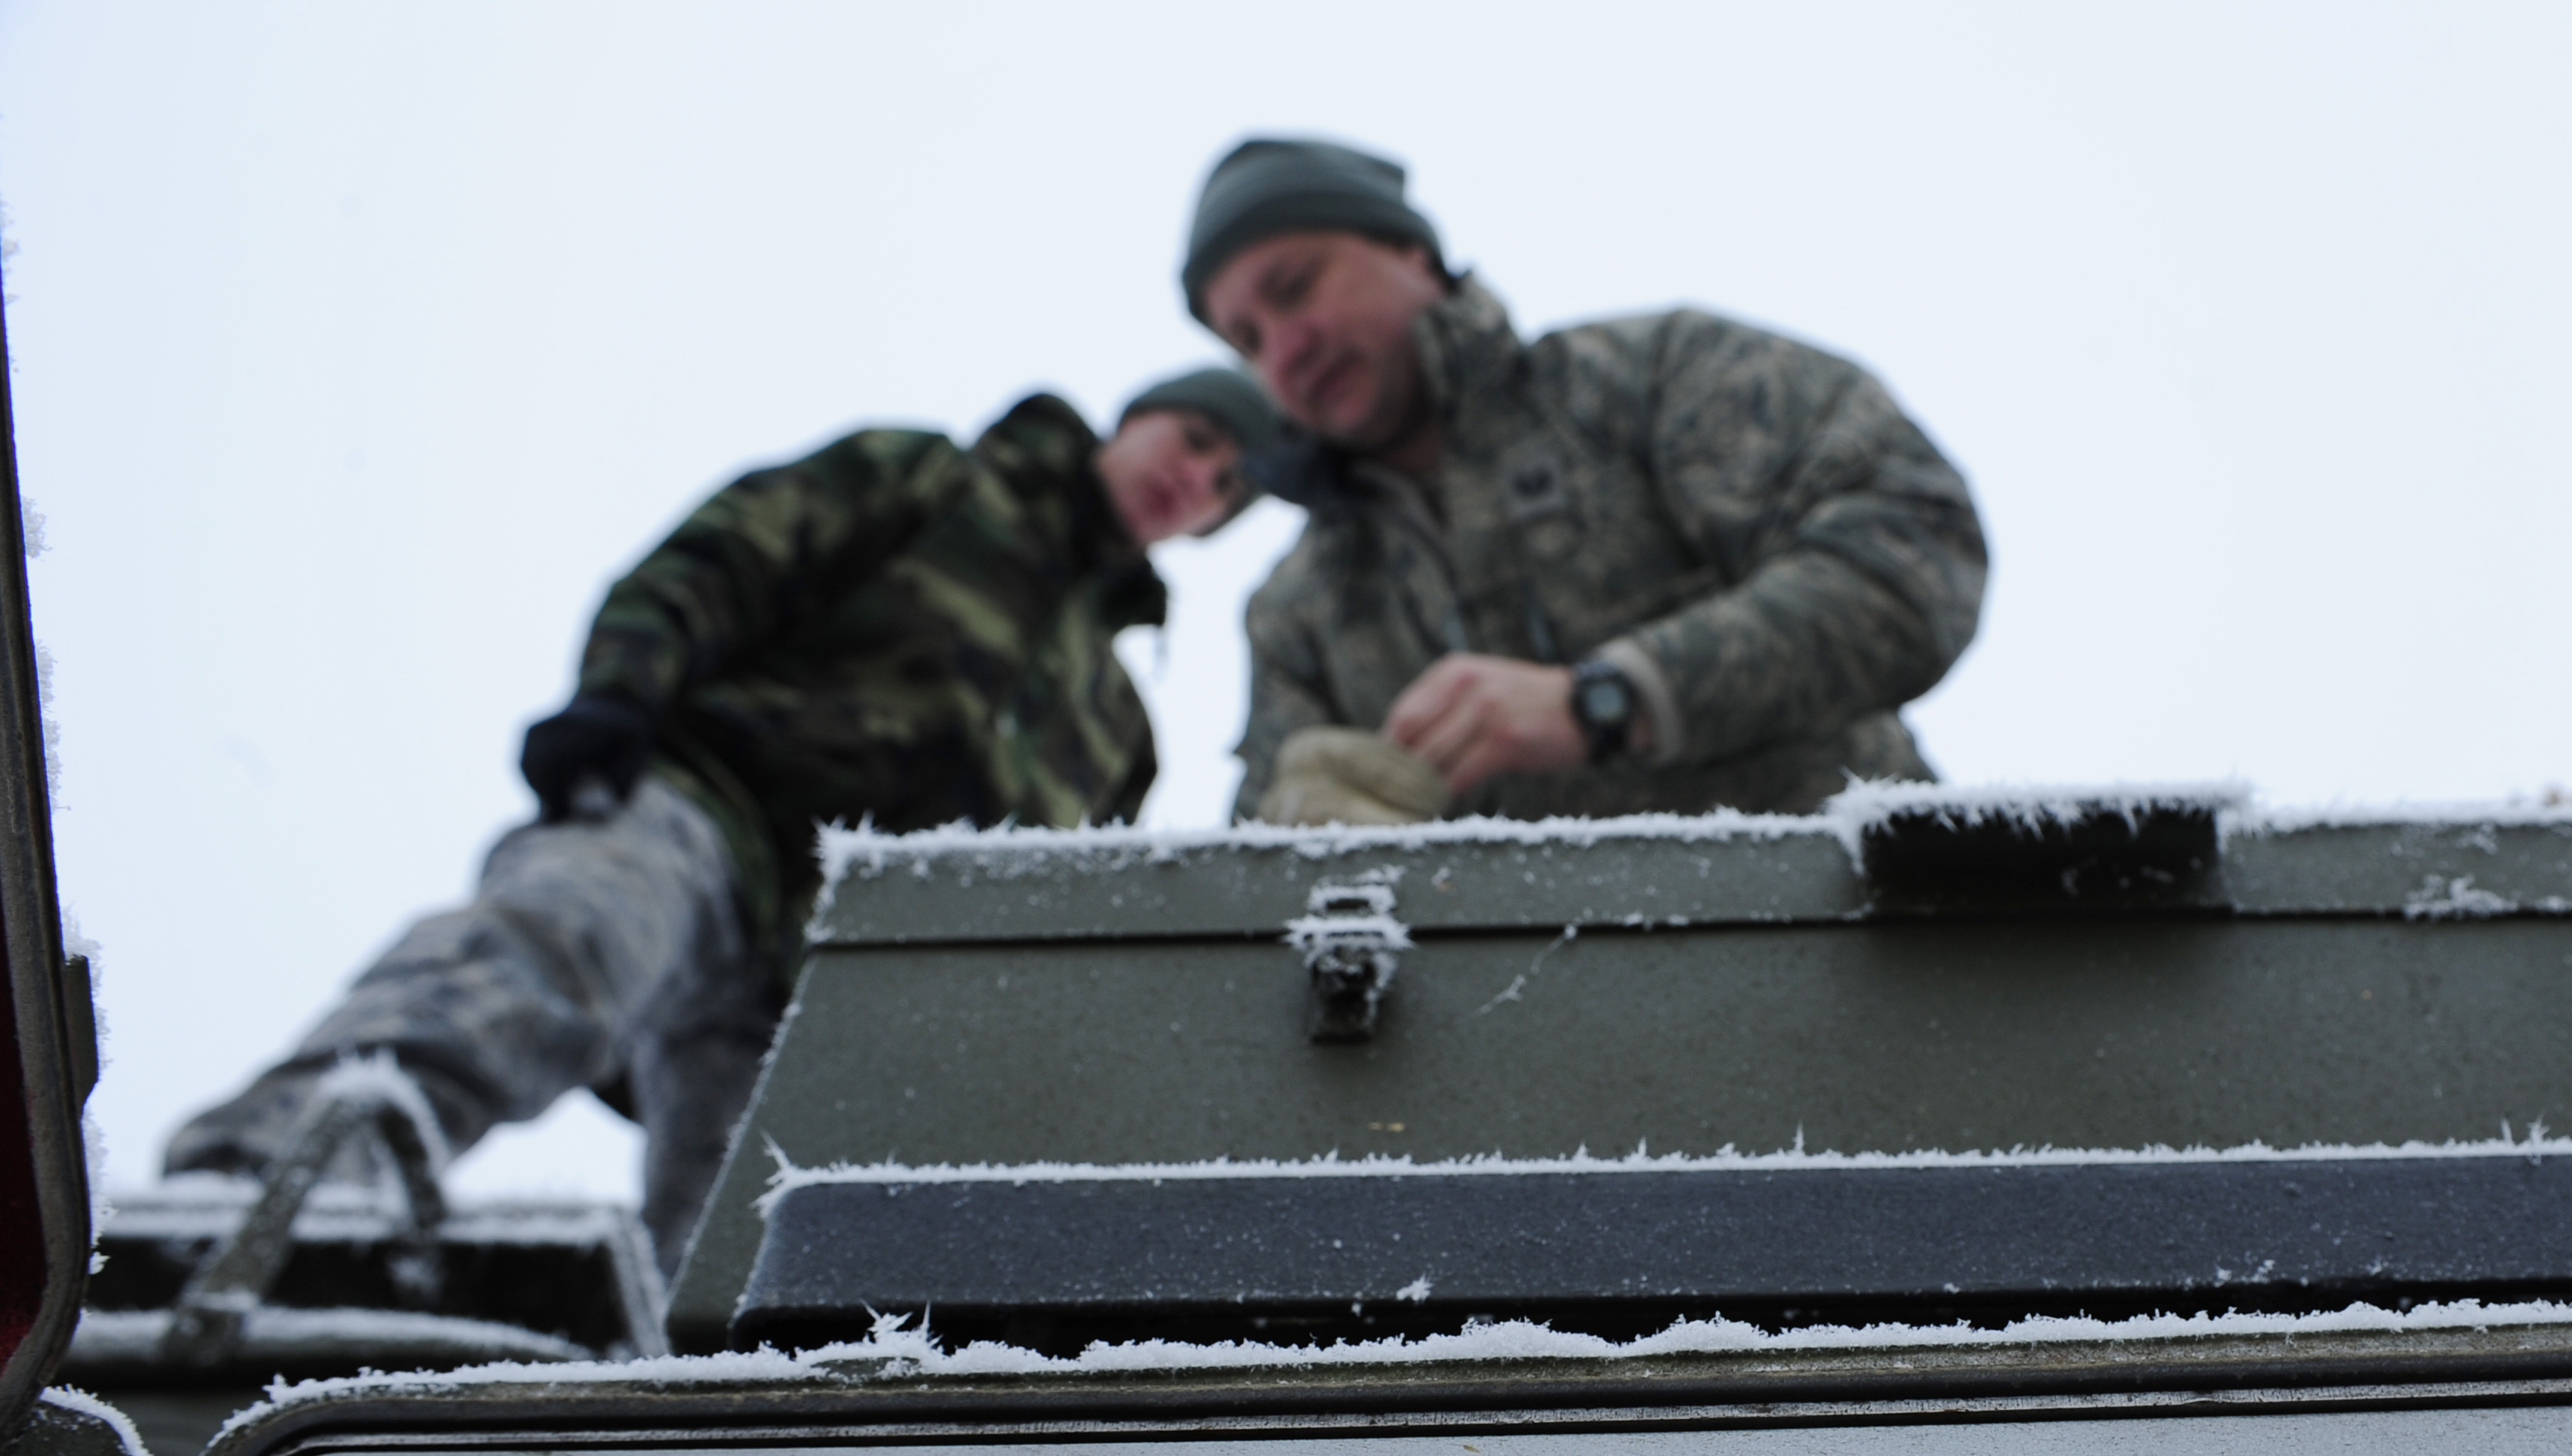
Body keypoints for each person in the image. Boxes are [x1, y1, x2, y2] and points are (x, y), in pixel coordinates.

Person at [164, 368, 1282, 1264]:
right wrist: (620, 689)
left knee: (752, 1242)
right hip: (706, 813)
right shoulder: (936, 484)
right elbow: (731, 553)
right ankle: (266, 1189)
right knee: (562, 944)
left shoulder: (1117, 722)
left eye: (1226, 486)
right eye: (1192, 441)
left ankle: (677, 1447)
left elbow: (1070, 909)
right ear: (1132, 419)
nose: (1196, 482)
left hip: (844, 989)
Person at [1184, 137, 1989, 827]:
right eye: (1246, 339)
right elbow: (1243, 901)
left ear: (1411, 252)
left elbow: (1912, 551)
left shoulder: (1649, 380)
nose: (1283, 350)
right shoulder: (1295, 612)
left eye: (1294, 289)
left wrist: (1614, 698)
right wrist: (1290, 844)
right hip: (1520, 1008)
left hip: (1849, 957)